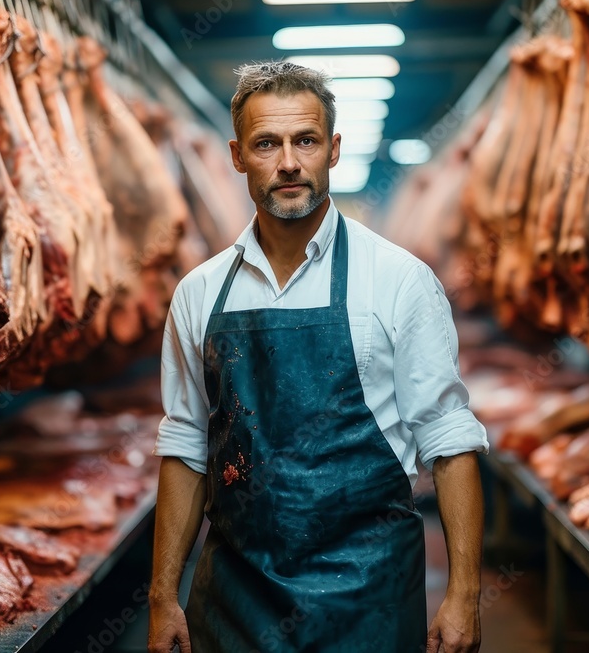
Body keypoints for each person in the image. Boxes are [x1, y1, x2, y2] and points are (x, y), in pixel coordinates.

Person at [148, 61, 488, 653]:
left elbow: (448, 439)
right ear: (236, 156)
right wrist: (160, 598)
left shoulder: (398, 280)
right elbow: (185, 445)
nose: (287, 162)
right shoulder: (199, 292)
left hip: (370, 592)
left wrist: (464, 594)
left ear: (332, 149)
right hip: (237, 594)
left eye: (305, 140)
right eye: (266, 144)